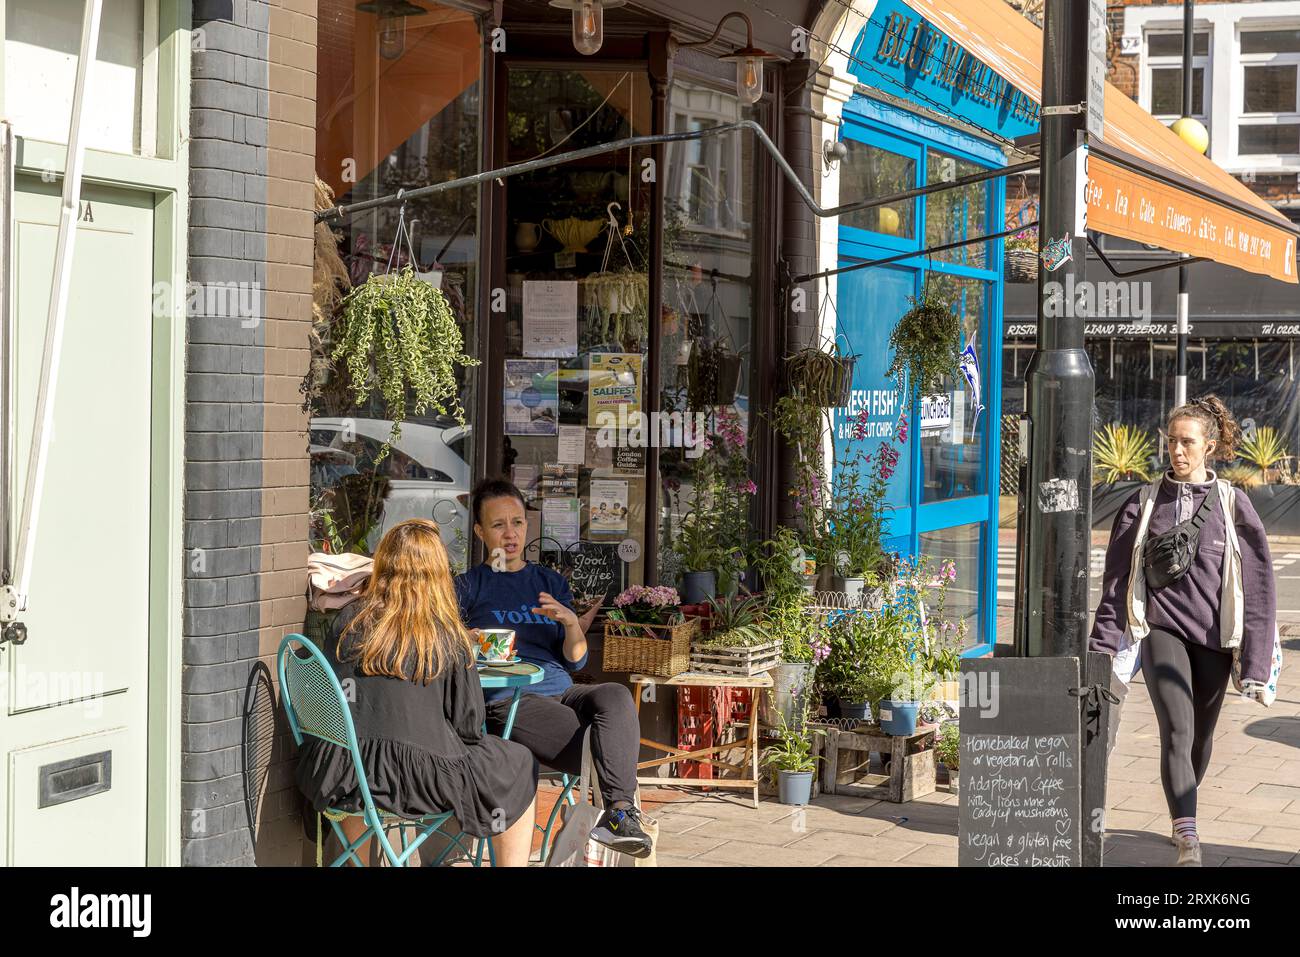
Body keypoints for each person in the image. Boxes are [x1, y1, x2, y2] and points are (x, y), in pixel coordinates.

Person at [1090, 396, 1277, 867]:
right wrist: (1101, 649)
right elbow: (1116, 583)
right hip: (1161, 630)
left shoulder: (1234, 505)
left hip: (1214, 638)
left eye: (1187, 442)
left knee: (1200, 739)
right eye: (1171, 441)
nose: (1177, 450)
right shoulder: (1144, 502)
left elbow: (1258, 587)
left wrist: (1254, 662)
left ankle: (1181, 805)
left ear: (1209, 446)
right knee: (1176, 728)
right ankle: (1187, 836)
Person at [296, 519, 539, 867]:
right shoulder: (447, 635)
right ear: (438, 574)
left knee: (357, 754)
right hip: (422, 780)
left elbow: (329, 704)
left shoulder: (348, 620)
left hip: (342, 773)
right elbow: (469, 726)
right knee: (520, 761)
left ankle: (360, 863)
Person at [456, 477, 655, 858]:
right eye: (498, 525)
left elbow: (577, 659)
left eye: (517, 522)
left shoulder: (548, 582)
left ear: (527, 525)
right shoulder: (467, 587)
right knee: (604, 743)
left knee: (614, 695)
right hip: (508, 699)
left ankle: (620, 814)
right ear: (480, 531)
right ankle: (618, 810)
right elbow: (446, 648)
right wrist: (467, 637)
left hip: (561, 688)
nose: (510, 534)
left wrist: (568, 623)